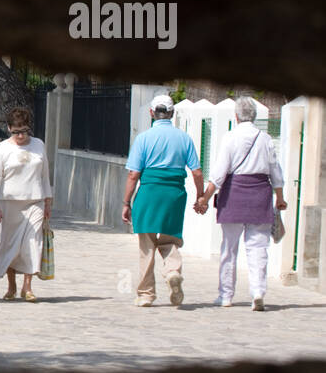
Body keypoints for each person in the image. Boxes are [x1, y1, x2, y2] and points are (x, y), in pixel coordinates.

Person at [196, 97, 288, 310]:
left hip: (234, 195)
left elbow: (219, 173)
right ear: (254, 116)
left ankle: (226, 295)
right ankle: (257, 291)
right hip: (260, 195)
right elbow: (275, 170)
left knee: (229, 248)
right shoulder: (265, 138)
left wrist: (205, 198)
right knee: (258, 247)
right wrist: (280, 197)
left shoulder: (230, 137)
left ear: (236, 116)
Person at [123, 94, 204, 307]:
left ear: (151, 113)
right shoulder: (184, 138)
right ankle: (172, 271)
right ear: (172, 113)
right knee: (170, 240)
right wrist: (201, 196)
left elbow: (133, 174)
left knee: (146, 245)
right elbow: (196, 172)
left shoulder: (143, 139)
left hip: (149, 192)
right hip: (174, 195)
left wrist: (126, 202)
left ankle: (146, 294)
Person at [0, 106, 52, 301]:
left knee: (32, 244)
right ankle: (11, 286)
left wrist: (48, 201)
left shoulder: (39, 145)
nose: (20, 136)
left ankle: (28, 287)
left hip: (34, 201)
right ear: (9, 129)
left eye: (24, 131)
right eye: (16, 132)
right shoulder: (2, 149)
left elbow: (45, 175)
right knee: (8, 245)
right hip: (8, 204)